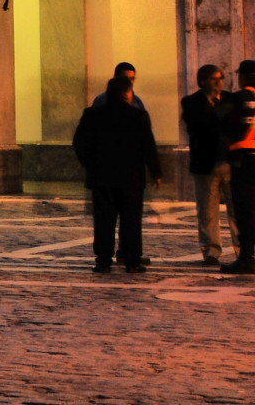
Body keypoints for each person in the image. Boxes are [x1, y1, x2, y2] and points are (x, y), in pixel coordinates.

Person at [73, 74, 162, 272]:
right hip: (131, 178)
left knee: (104, 220)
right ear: (127, 94)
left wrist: (89, 163)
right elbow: (148, 146)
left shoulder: (92, 115)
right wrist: (156, 172)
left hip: (101, 177)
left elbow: (79, 142)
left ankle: (103, 261)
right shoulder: (138, 116)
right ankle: (132, 260)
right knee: (131, 220)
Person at [182, 64, 234, 264]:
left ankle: (244, 249)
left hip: (230, 162)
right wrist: (211, 104)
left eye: (221, 78)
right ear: (203, 81)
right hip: (205, 163)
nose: (219, 82)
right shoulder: (191, 102)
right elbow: (196, 126)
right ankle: (211, 251)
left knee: (237, 210)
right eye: (214, 78)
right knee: (207, 211)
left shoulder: (230, 99)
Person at [221, 61, 255, 273]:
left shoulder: (236, 98)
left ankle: (247, 256)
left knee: (244, 208)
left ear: (242, 77)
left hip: (243, 159)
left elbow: (223, 124)